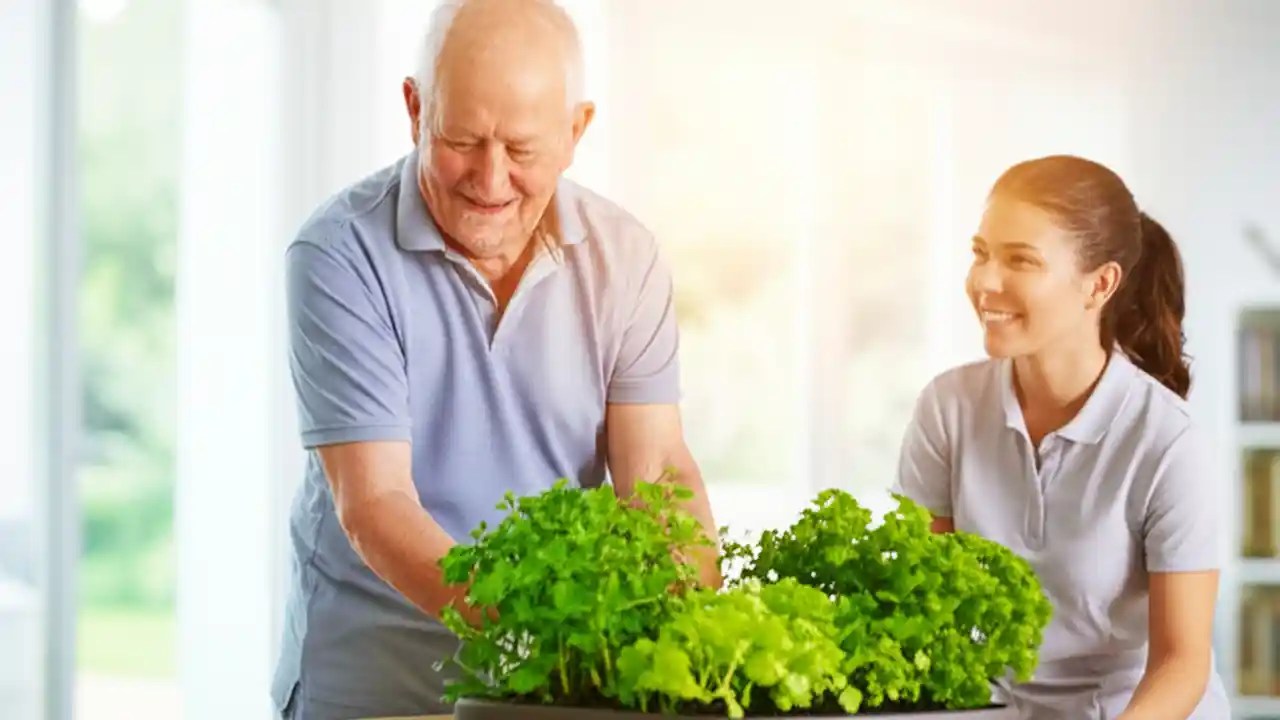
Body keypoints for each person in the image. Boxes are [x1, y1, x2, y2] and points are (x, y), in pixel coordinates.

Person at [270, 1, 720, 718]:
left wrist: (696, 627)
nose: (489, 179)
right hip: (374, 687)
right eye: (461, 140)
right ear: (416, 110)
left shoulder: (624, 258)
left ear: (576, 132)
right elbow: (376, 503)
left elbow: (657, 468)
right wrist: (538, 640)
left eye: (521, 149)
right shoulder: (339, 253)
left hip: (544, 695)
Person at [894, 155, 1229, 719]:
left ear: (1100, 284)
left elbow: (1181, 663)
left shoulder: (1170, 443)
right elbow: (926, 607)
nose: (986, 282)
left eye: (1021, 260)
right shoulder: (947, 409)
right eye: (981, 254)